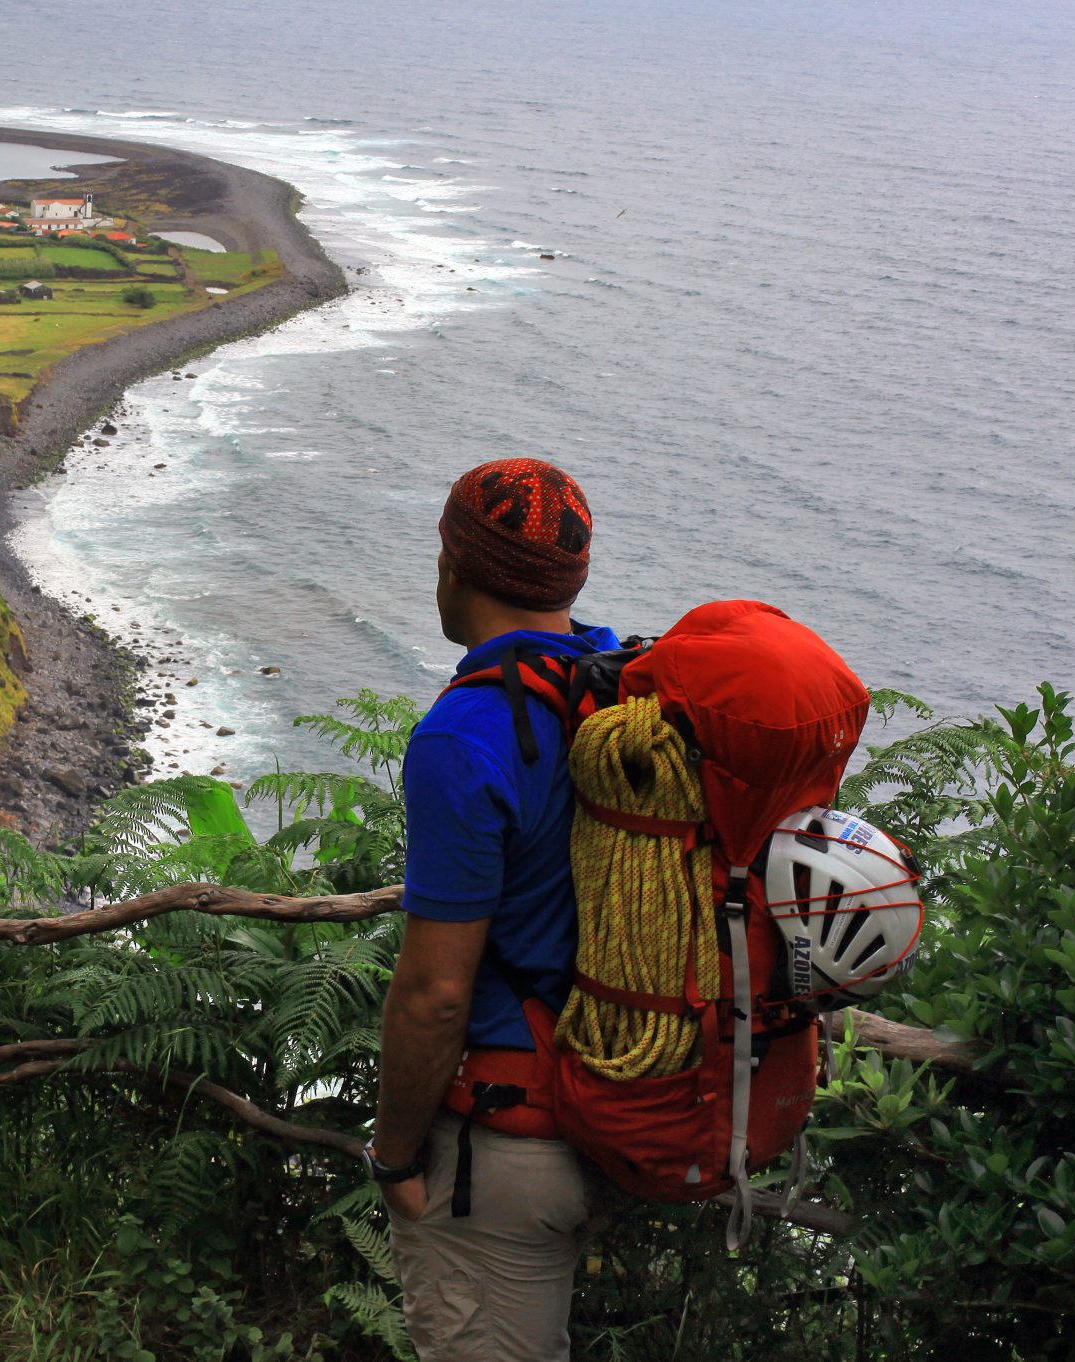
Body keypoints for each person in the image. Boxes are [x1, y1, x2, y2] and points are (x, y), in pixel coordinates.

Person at [363, 457, 618, 1362]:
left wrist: (393, 1156)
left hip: (505, 1143)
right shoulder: (621, 685)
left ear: (452, 565)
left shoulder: (463, 736)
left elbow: (435, 993)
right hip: (618, 1104)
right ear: (571, 579)